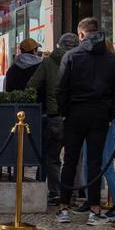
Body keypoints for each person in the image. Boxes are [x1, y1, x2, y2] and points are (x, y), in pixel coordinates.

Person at [55, 18, 115, 227]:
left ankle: (64, 207)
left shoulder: (71, 56)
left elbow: (61, 89)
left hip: (75, 114)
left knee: (70, 161)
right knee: (95, 162)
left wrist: (65, 112)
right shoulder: (112, 59)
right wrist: (110, 113)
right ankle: (95, 209)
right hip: (100, 115)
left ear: (81, 34)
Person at [28, 32, 78, 206]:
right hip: (75, 115)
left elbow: (32, 85)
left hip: (54, 115)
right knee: (74, 157)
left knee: (53, 157)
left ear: (59, 44)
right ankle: (71, 193)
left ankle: (55, 192)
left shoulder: (48, 62)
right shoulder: (80, 60)